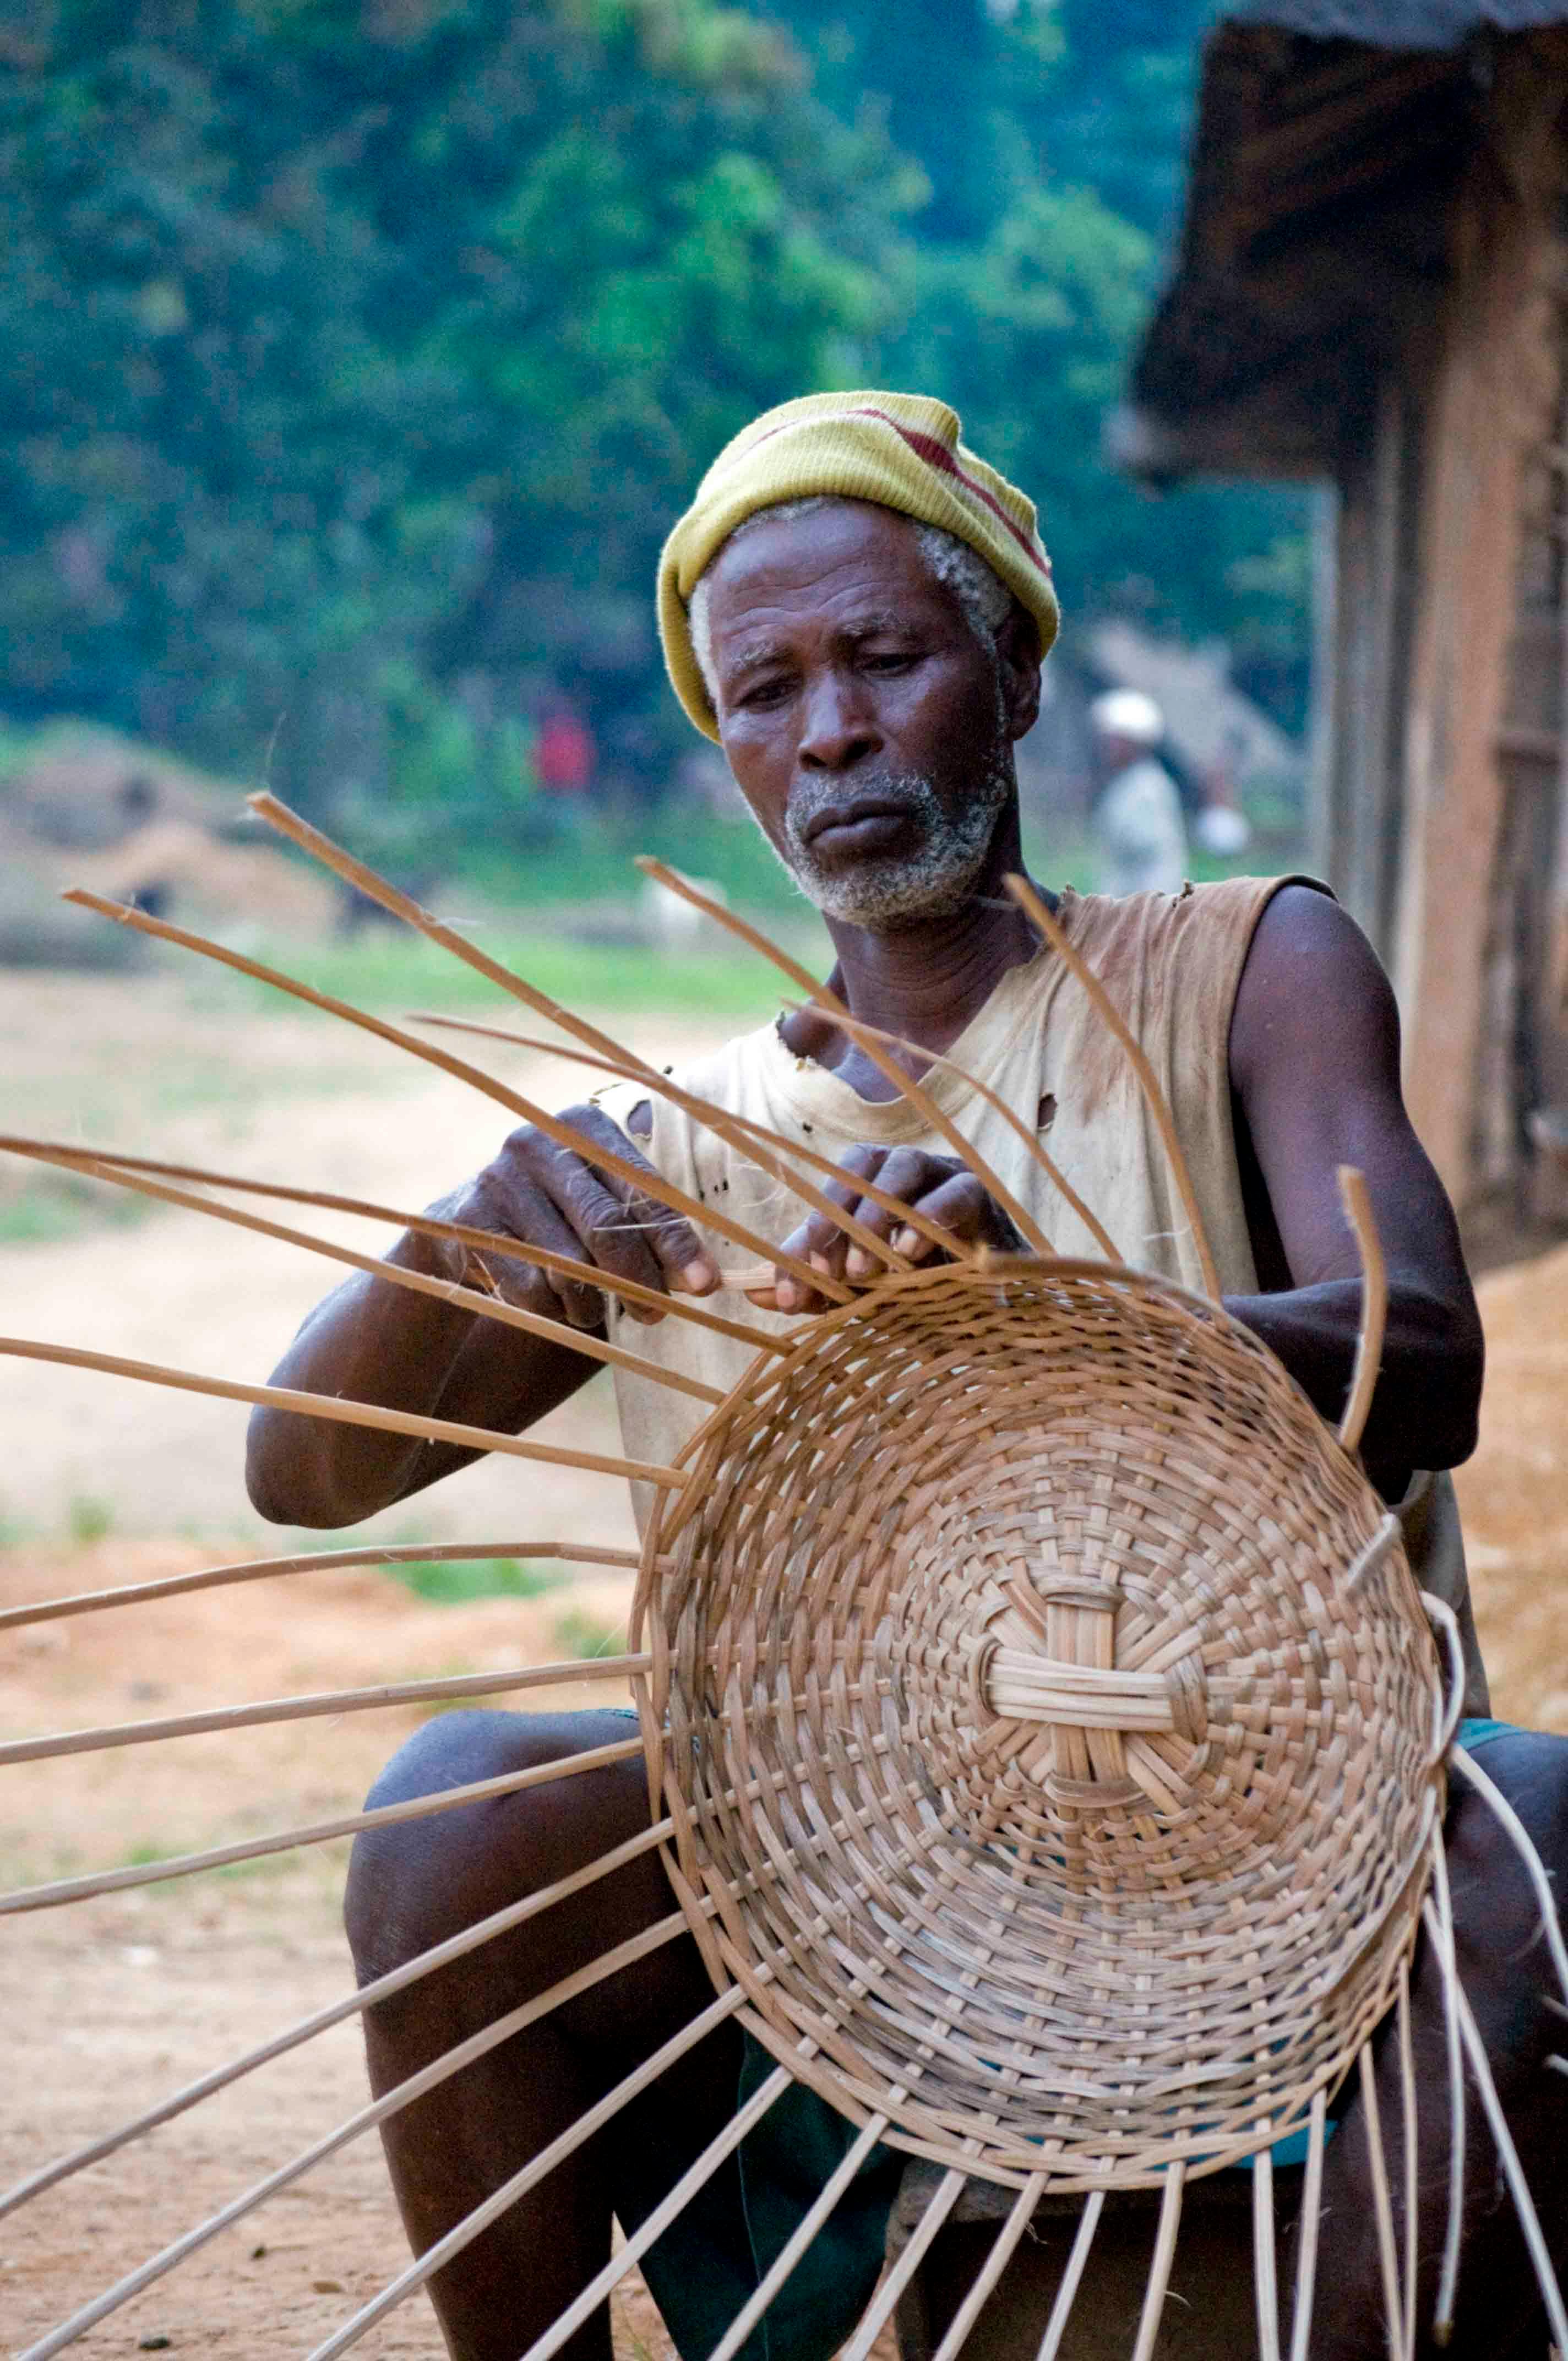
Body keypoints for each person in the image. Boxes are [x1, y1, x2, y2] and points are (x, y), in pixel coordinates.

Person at [247, 391, 1565, 2361]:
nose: (831, 731)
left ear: (1012, 670)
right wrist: (466, 1255)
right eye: (763, 689)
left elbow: (1424, 1362)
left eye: (883, 657)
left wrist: (1044, 1315)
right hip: (854, 1903)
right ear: (723, 745)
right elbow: (305, 1474)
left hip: (1287, 1860)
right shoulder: (679, 1158)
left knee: (1539, 1823)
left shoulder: (1242, 966)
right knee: (451, 1808)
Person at [1088, 687, 1189, 897]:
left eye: (1113, 740)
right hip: (1128, 901)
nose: (1106, 747)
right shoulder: (1126, 784)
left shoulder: (1148, 788)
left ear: (1132, 743)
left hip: (1147, 904)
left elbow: (1145, 851)